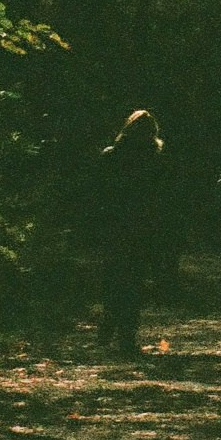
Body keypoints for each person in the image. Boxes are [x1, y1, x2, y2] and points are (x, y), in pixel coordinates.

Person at [94, 109, 169, 354]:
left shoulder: (111, 156)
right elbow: (159, 199)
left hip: (114, 225)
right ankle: (126, 334)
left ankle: (108, 321)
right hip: (140, 227)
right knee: (134, 282)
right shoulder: (154, 160)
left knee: (114, 277)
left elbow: (98, 192)